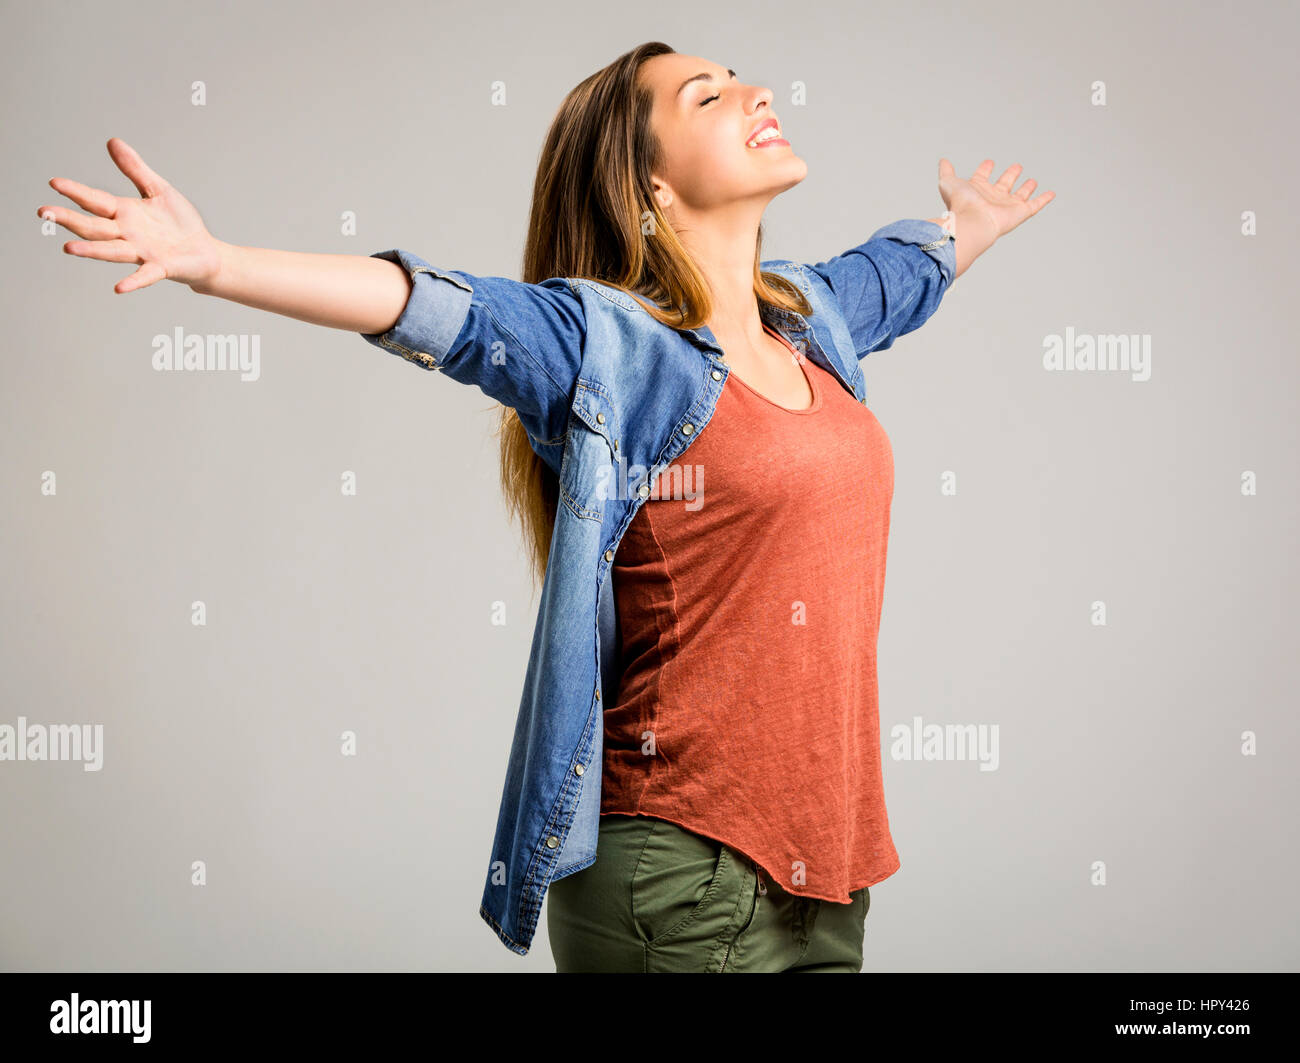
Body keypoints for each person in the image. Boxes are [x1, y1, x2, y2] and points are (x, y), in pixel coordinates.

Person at [37, 41, 1053, 972]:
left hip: (827, 875)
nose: (756, 93)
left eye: (742, 76)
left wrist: (966, 227)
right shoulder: (604, 342)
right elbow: (438, 308)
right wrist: (219, 266)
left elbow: (903, 273)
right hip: (680, 874)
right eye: (708, 93)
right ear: (648, 180)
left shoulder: (811, 317)